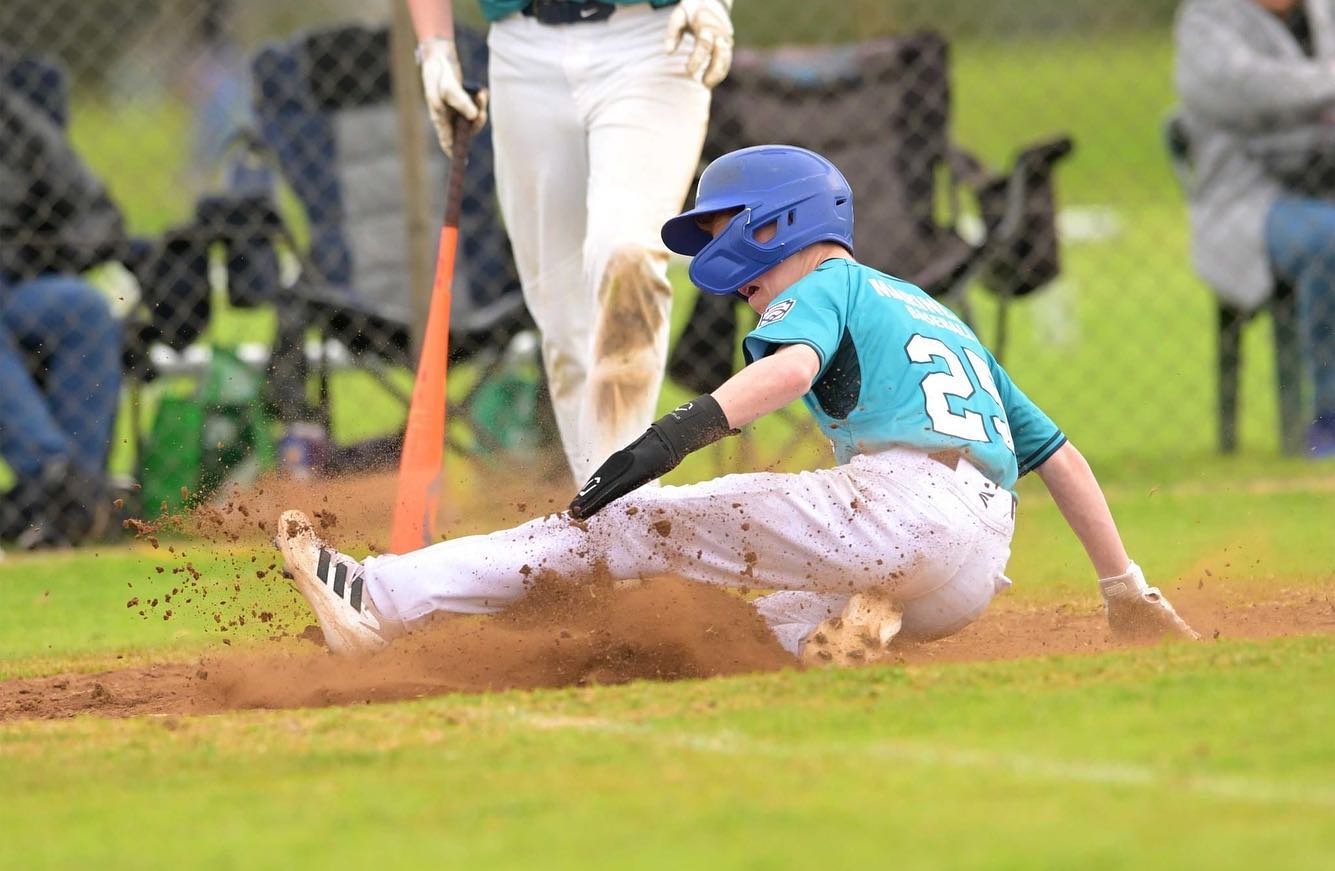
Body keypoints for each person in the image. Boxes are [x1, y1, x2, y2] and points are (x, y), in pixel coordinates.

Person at [276, 144, 1199, 663]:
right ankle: (850, 628)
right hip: (967, 570)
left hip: (901, 511)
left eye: (722, 230)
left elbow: (793, 370)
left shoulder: (825, 284)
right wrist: (1126, 591)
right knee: (731, 631)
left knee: (628, 520)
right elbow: (1061, 459)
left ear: (777, 224)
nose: (729, 268)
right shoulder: (934, 312)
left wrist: (678, 433)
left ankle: (383, 594)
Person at [406, 0, 734, 483]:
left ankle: (625, 505)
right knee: (562, 318)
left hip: (652, 38)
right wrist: (434, 48)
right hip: (523, 49)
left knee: (628, 253)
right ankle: (606, 512)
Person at [1175, 0, 1335, 457]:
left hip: (1326, 187)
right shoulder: (1206, 18)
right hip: (1249, 201)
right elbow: (1238, 88)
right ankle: (1329, 420)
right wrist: (1327, 83)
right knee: (1330, 240)